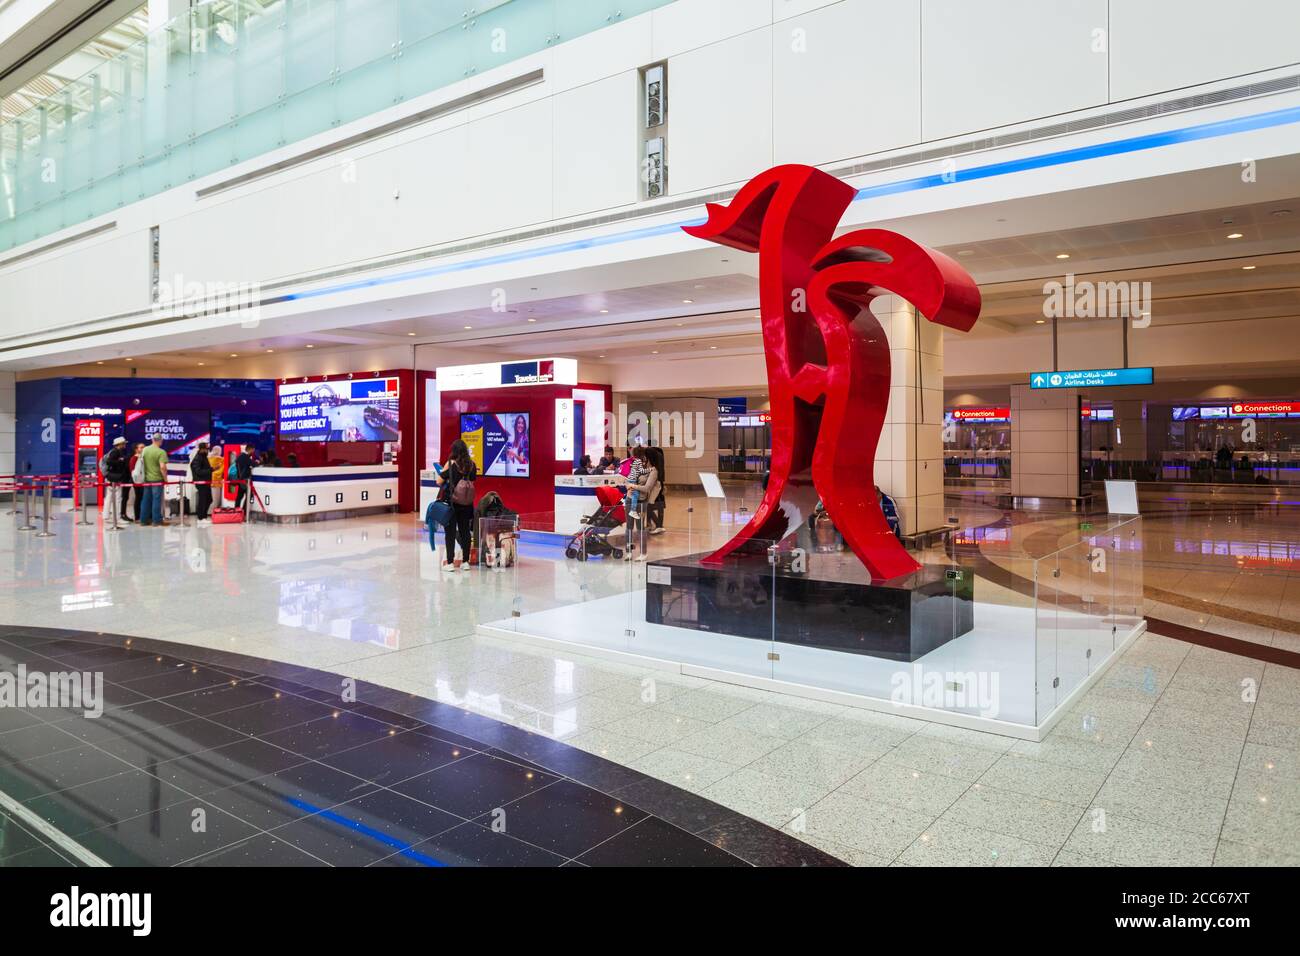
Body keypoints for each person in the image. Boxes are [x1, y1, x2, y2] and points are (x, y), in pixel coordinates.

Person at [434, 439, 477, 570]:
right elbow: (473, 479)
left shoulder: (452, 465)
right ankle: (465, 562)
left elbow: (439, 481)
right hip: (467, 504)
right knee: (465, 532)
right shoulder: (472, 465)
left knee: (450, 533)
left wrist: (447, 468)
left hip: (452, 504)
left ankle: (450, 563)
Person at [618, 446, 660, 560]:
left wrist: (633, 486)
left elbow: (647, 488)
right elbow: (627, 479)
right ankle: (629, 552)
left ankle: (643, 552)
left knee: (640, 527)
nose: (643, 458)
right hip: (629, 499)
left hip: (641, 502)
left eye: (645, 456)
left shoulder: (653, 471)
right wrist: (628, 485)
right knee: (629, 527)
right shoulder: (637, 465)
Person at [139, 433, 169, 526]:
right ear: (160, 441)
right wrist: (165, 479)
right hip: (157, 479)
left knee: (146, 499)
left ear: (152, 440)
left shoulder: (145, 450)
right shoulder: (161, 452)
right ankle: (156, 521)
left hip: (146, 479)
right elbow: (162, 467)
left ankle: (143, 520)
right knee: (156, 500)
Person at [103, 436, 132, 524]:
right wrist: (121, 461)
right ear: (120, 444)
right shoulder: (116, 452)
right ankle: (117, 517)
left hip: (110, 477)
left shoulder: (113, 451)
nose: (125, 445)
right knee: (117, 498)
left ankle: (106, 516)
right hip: (115, 477)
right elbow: (109, 461)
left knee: (109, 497)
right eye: (124, 443)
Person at [190, 442, 214, 525]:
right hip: (201, 483)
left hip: (206, 482)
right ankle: (200, 518)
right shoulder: (198, 458)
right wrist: (211, 470)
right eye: (206, 449)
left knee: (209, 499)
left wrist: (211, 469)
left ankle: (203, 516)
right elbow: (198, 471)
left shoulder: (203, 457)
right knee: (203, 500)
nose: (208, 450)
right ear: (202, 449)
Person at [233, 444, 254, 511]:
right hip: (244, 480)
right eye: (253, 450)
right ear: (250, 449)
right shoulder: (245, 457)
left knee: (239, 496)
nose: (253, 452)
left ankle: (237, 511)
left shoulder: (240, 456)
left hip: (241, 479)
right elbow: (254, 464)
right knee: (250, 496)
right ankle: (244, 511)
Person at [128, 442, 146, 522]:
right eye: (141, 447)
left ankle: (143, 515)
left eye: (144, 447)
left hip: (143, 481)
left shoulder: (143, 458)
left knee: (143, 498)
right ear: (136, 449)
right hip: (137, 481)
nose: (143, 448)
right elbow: (133, 471)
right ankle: (137, 517)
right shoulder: (134, 458)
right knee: (138, 498)